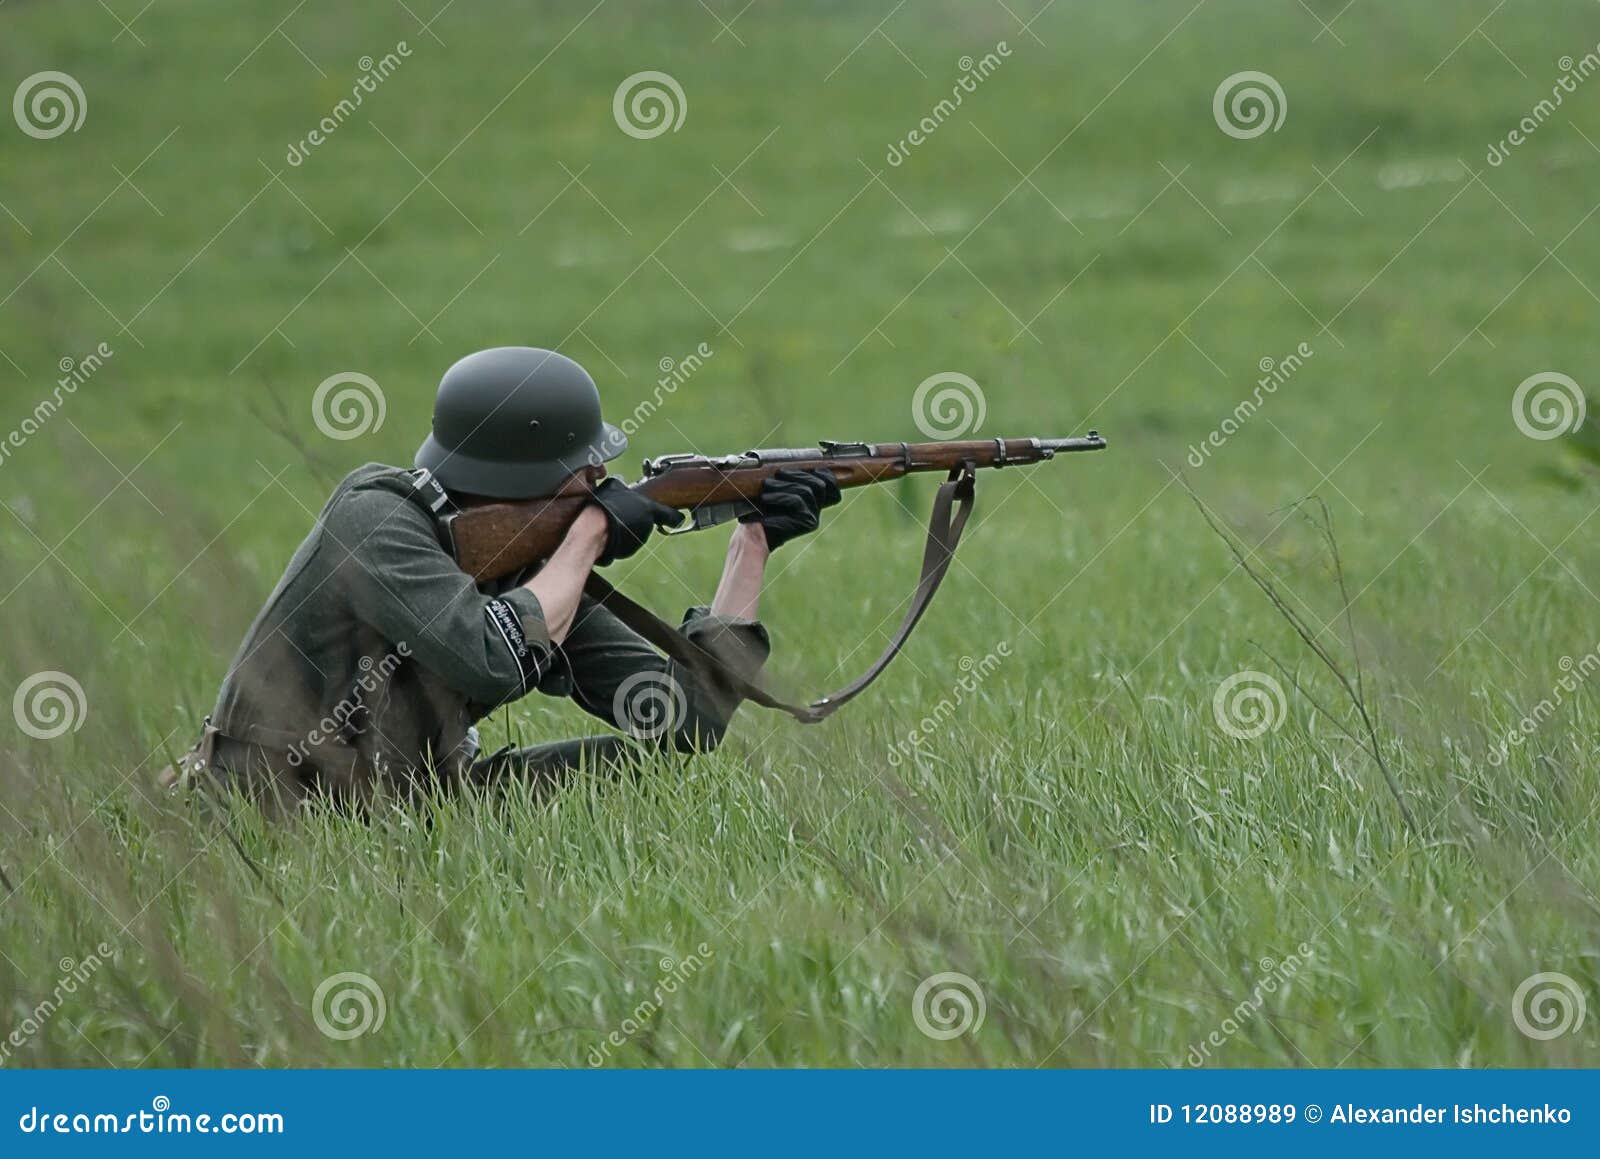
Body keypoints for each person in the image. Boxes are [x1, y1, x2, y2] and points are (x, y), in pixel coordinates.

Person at [179, 346, 838, 810]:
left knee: (642, 774)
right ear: (520, 481)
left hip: (418, 802)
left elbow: (687, 719)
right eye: (586, 477)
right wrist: (588, 537)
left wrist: (749, 545)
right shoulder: (375, 518)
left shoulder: (528, 570)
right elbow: (490, 658)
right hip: (269, 803)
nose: (600, 489)